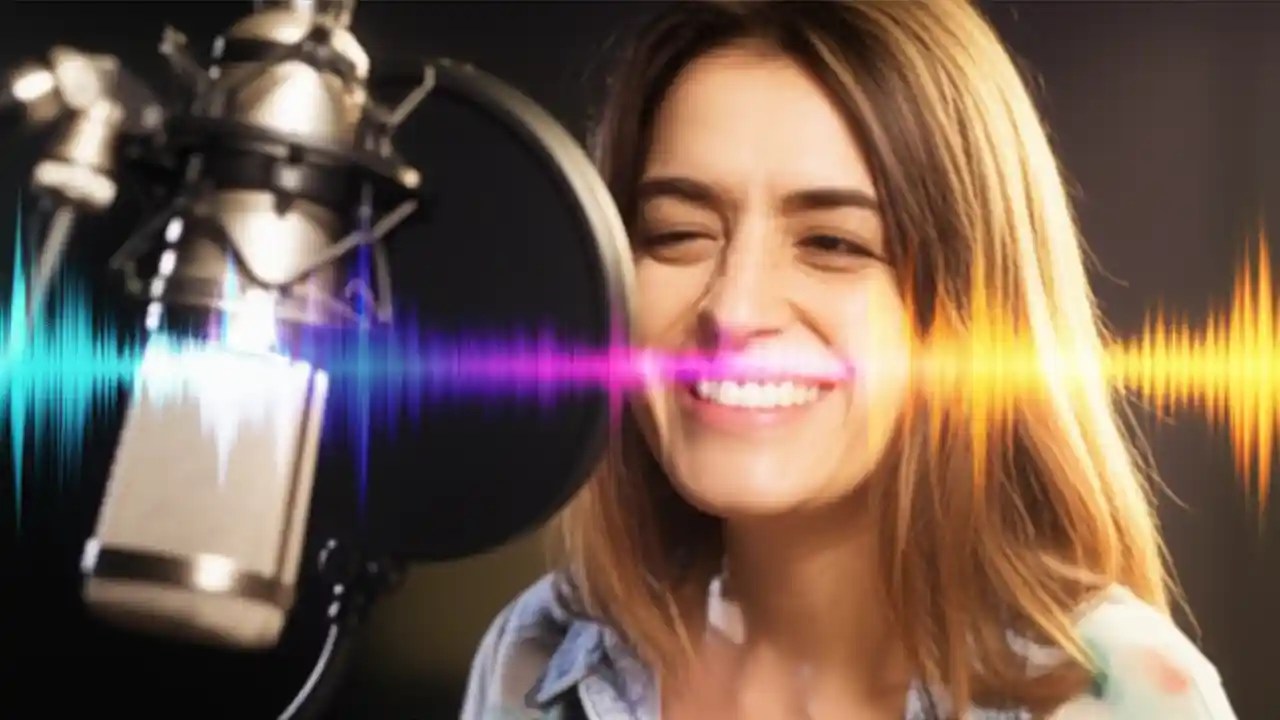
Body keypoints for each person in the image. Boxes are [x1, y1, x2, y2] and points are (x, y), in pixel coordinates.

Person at [461, 1, 1238, 718]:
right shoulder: (536, 654)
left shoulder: (1122, 695)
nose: (732, 309)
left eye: (832, 244)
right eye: (676, 233)